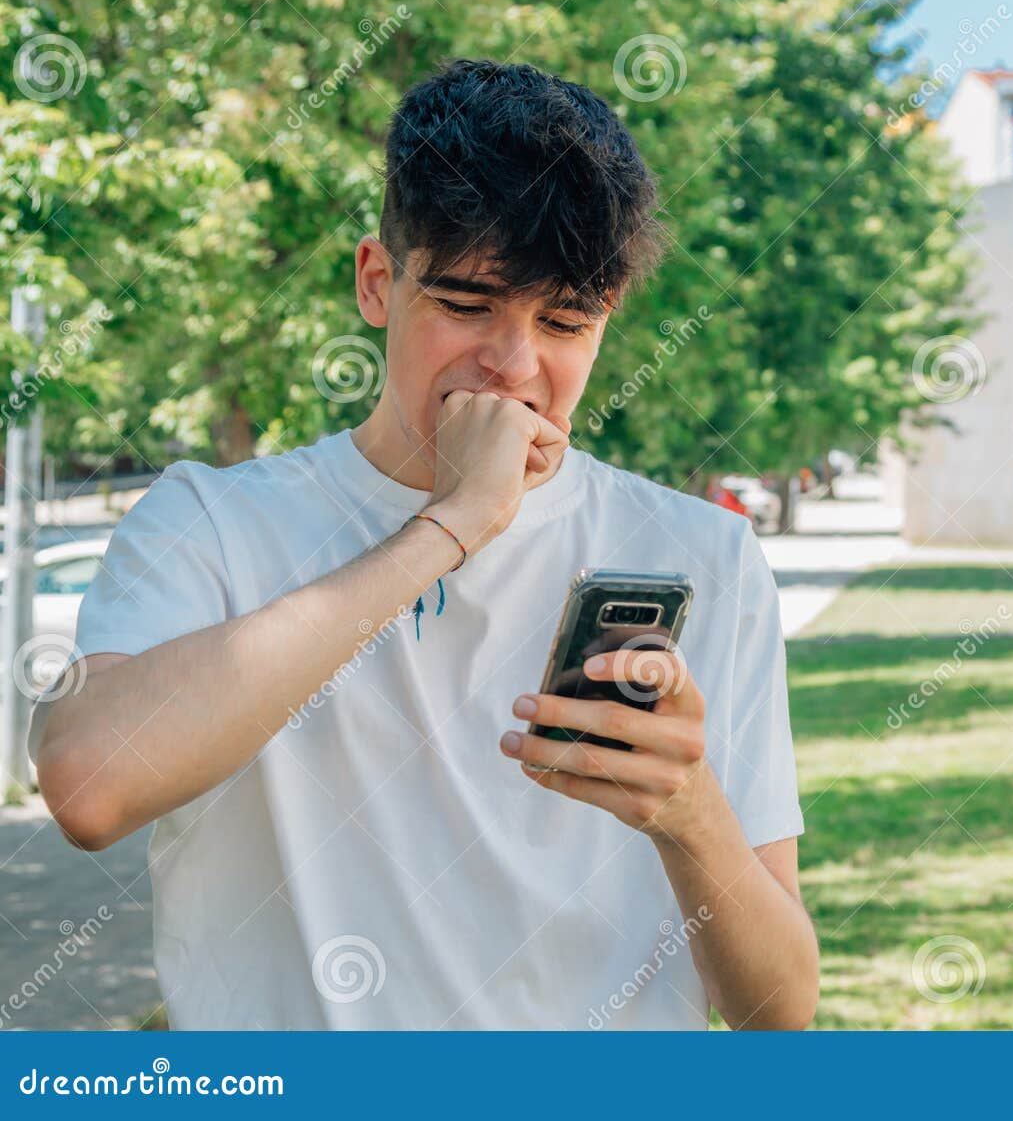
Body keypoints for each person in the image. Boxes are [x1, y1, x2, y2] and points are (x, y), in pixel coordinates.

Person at [29, 59, 817, 1031]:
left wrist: (689, 812)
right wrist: (448, 526)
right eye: (467, 303)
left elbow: (780, 1010)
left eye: (565, 320)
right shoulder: (209, 521)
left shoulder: (707, 554)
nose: (515, 363)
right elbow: (89, 784)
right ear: (376, 280)